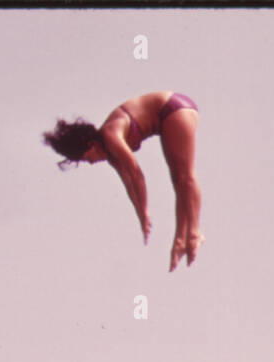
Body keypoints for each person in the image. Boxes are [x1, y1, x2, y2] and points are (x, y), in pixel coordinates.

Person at [43, 91, 203, 271]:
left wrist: (144, 209)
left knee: (184, 176)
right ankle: (181, 239)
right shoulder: (112, 157)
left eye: (88, 158)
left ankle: (195, 231)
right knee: (177, 179)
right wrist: (141, 215)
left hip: (173, 108)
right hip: (167, 118)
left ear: (91, 145)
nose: (92, 163)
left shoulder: (111, 134)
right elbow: (129, 184)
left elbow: (136, 174)